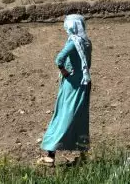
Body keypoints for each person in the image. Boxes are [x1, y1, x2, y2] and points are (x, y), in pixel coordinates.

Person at [37, 14, 92, 166]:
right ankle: (83, 153)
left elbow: (59, 59)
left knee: (63, 116)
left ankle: (50, 154)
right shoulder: (87, 42)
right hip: (84, 83)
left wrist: (64, 71)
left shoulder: (74, 42)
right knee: (80, 118)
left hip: (72, 84)